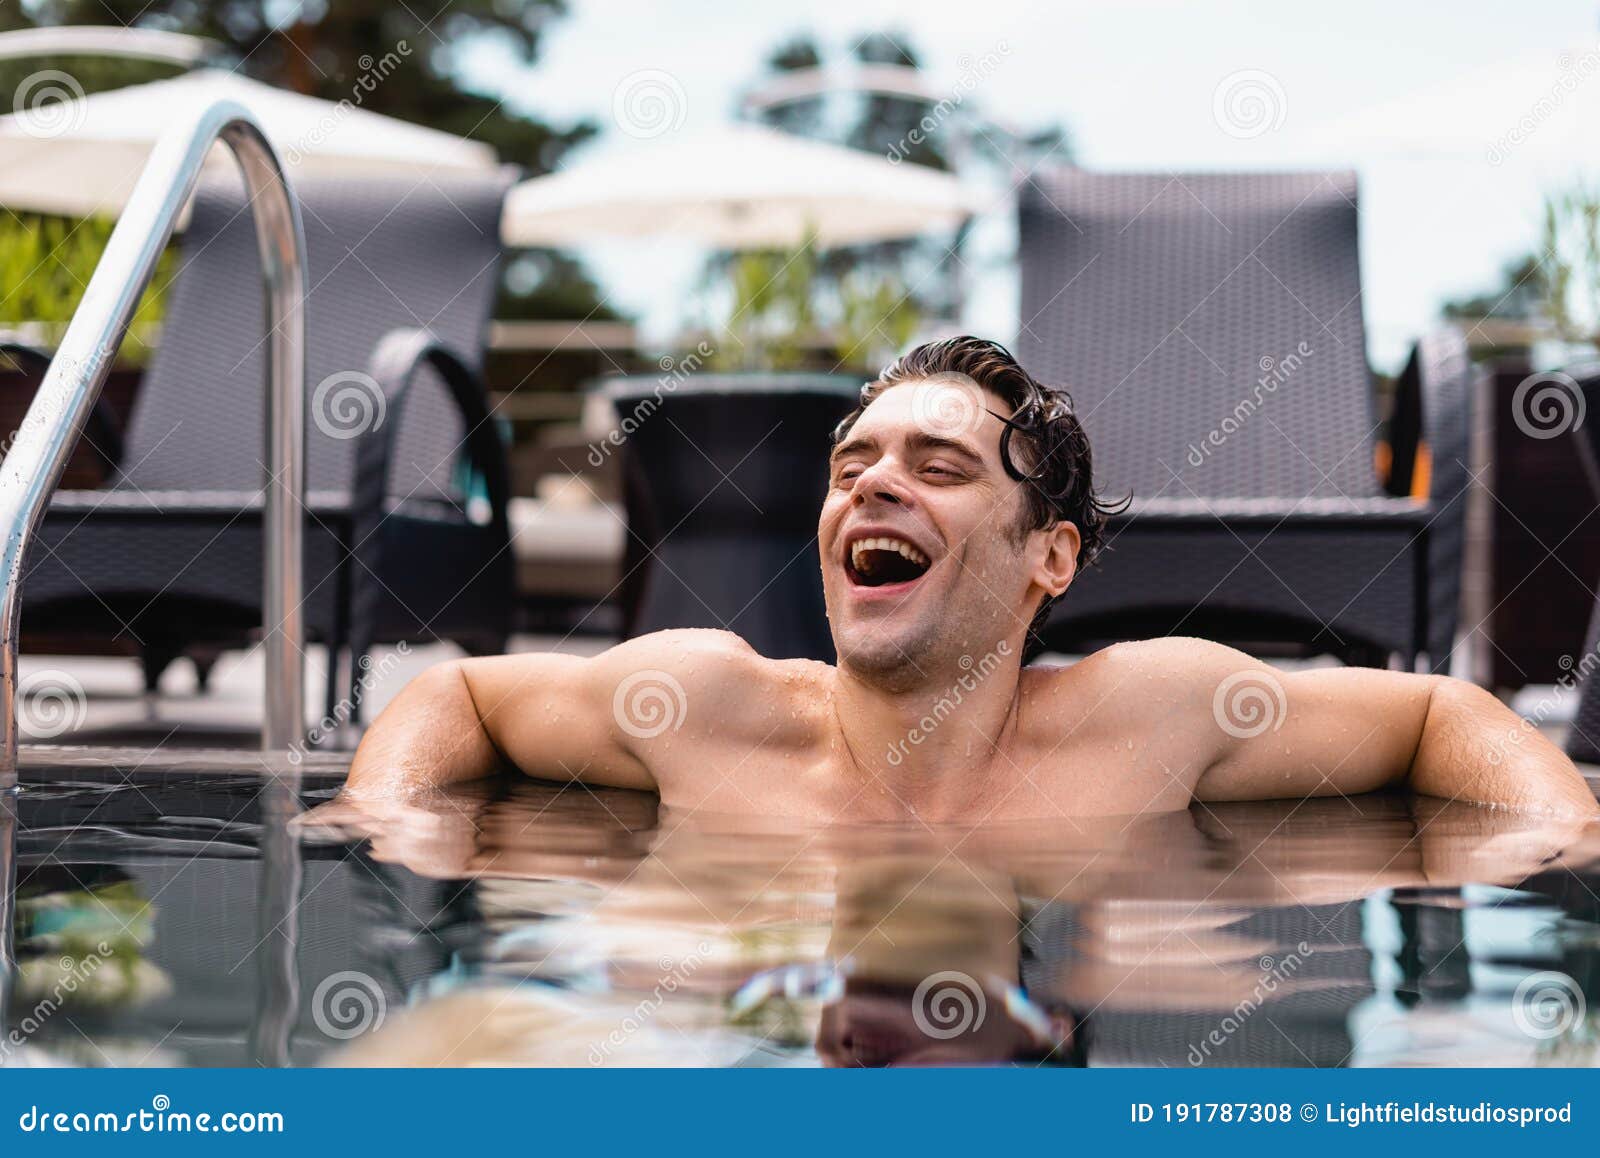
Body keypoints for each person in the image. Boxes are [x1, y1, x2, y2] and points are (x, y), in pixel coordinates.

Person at [326, 336, 1599, 823]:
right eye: (852, 464)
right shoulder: (705, 708)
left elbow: (1446, 715)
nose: (874, 487)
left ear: (1049, 557)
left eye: (938, 465)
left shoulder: (1154, 717)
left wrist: (1564, 854)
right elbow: (461, 703)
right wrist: (378, 828)